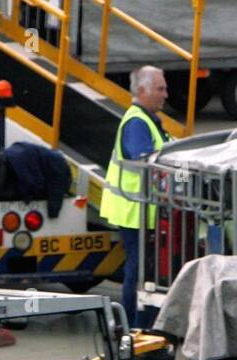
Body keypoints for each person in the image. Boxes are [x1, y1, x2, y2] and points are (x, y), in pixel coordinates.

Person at [102, 65, 170, 329]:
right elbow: (151, 163)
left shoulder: (150, 120)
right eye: (160, 89)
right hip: (134, 211)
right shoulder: (137, 123)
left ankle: (135, 326)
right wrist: (187, 173)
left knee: (143, 270)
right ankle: (131, 327)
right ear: (142, 91)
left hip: (143, 211)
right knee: (139, 270)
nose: (166, 94)